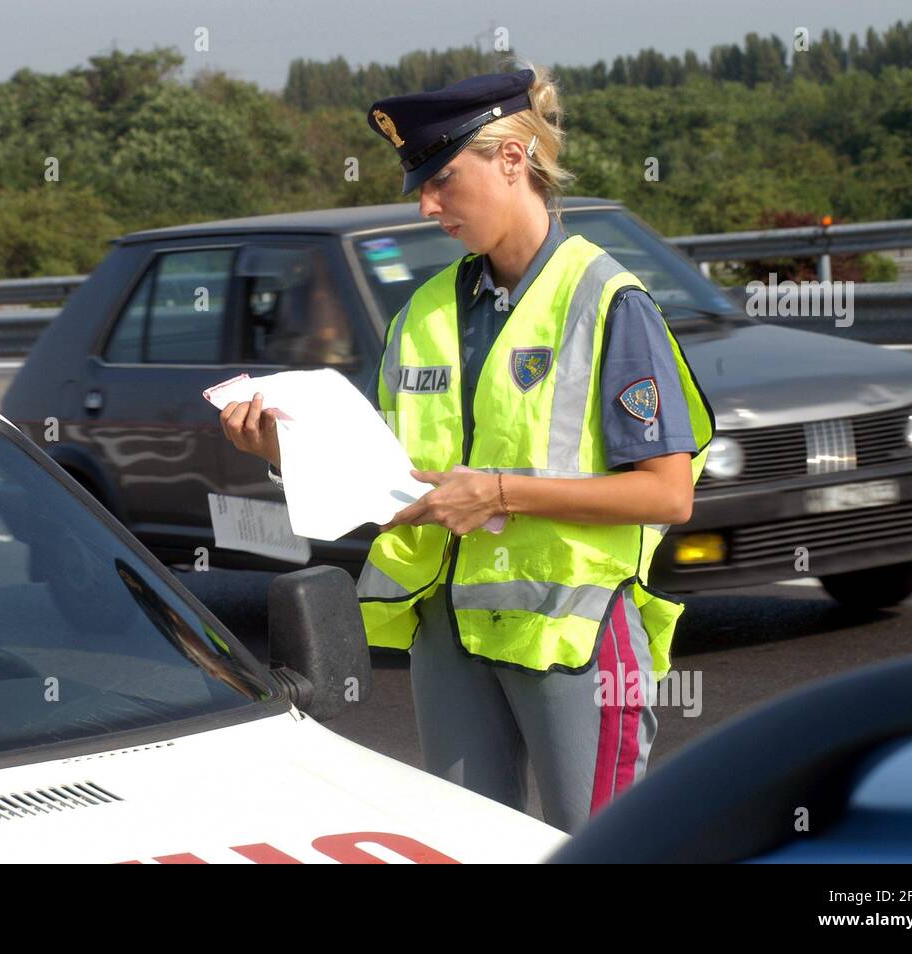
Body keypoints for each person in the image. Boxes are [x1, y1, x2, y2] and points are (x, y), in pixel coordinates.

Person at [220, 60, 714, 835]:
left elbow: (667, 494)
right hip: (447, 634)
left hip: (571, 637)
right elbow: (390, 480)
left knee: (597, 847)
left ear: (512, 160)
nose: (426, 205)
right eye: (419, 183)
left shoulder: (608, 301)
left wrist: (503, 492)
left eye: (443, 179)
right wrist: (282, 452)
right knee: (473, 847)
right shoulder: (423, 311)